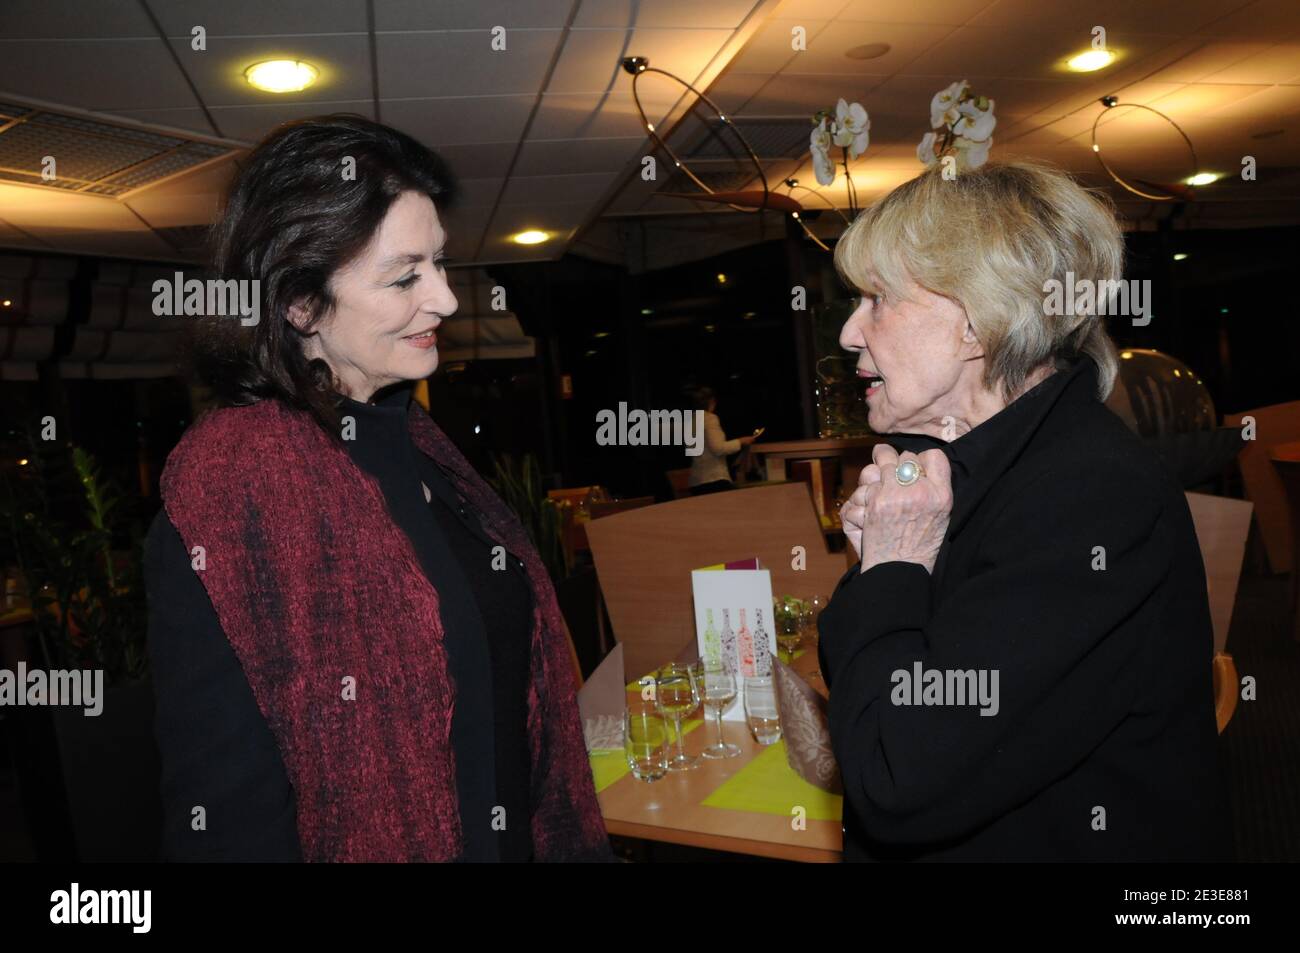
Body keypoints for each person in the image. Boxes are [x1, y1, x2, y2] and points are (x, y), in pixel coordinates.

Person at [144, 115, 611, 863]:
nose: (446, 299)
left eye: (439, 263)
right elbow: (226, 817)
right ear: (299, 304)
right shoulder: (231, 496)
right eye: (404, 276)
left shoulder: (423, 450)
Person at [817, 159, 1229, 861]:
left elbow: (897, 774)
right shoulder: (958, 464)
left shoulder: (1089, 497)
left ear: (977, 323)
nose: (850, 333)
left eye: (877, 299)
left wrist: (889, 568)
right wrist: (889, 563)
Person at [686, 386, 757, 495]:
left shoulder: (691, 420)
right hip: (713, 480)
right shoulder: (709, 419)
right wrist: (741, 441)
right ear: (711, 401)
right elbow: (718, 449)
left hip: (697, 482)